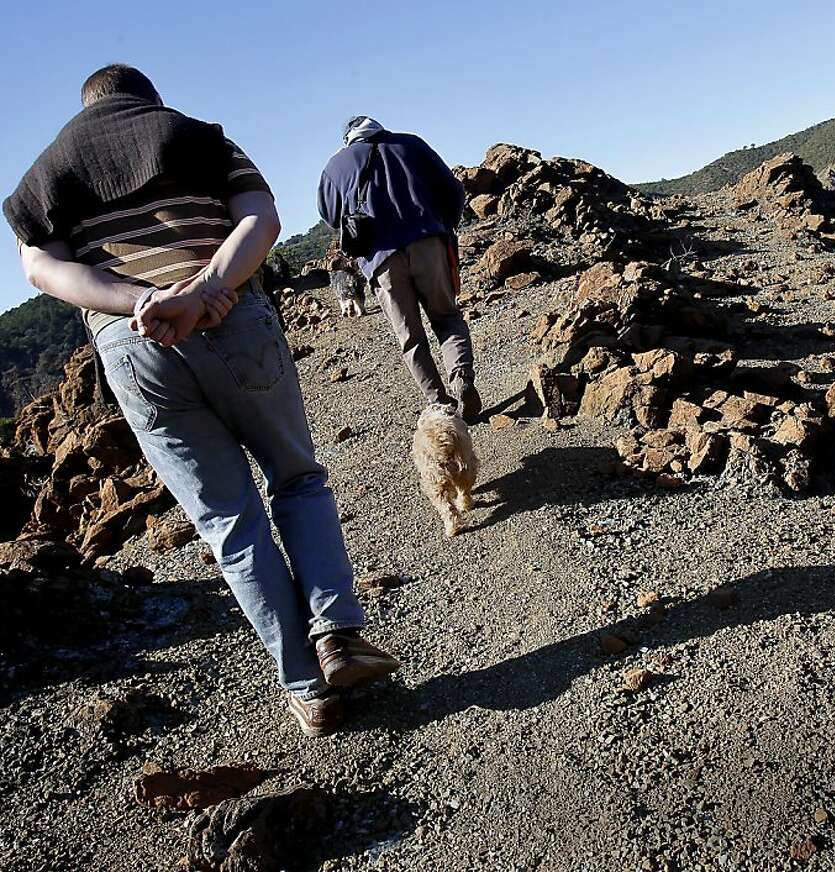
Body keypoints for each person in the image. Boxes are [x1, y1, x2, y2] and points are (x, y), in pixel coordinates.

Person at [4, 64, 399, 737]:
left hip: (136, 346)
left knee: (228, 521)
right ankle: (336, 632)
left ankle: (310, 691)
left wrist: (145, 303)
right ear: (146, 99)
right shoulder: (194, 135)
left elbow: (42, 267)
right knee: (298, 479)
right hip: (232, 315)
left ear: (87, 106)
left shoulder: (47, 171)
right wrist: (205, 286)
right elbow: (262, 218)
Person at [318, 116, 480, 421]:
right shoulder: (410, 144)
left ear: (349, 139)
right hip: (429, 243)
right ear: (379, 128)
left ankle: (440, 406)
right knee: (446, 317)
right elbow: (453, 191)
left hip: (381, 260)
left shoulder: (335, 167)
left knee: (410, 338)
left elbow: (330, 215)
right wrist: (445, 223)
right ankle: (461, 378)